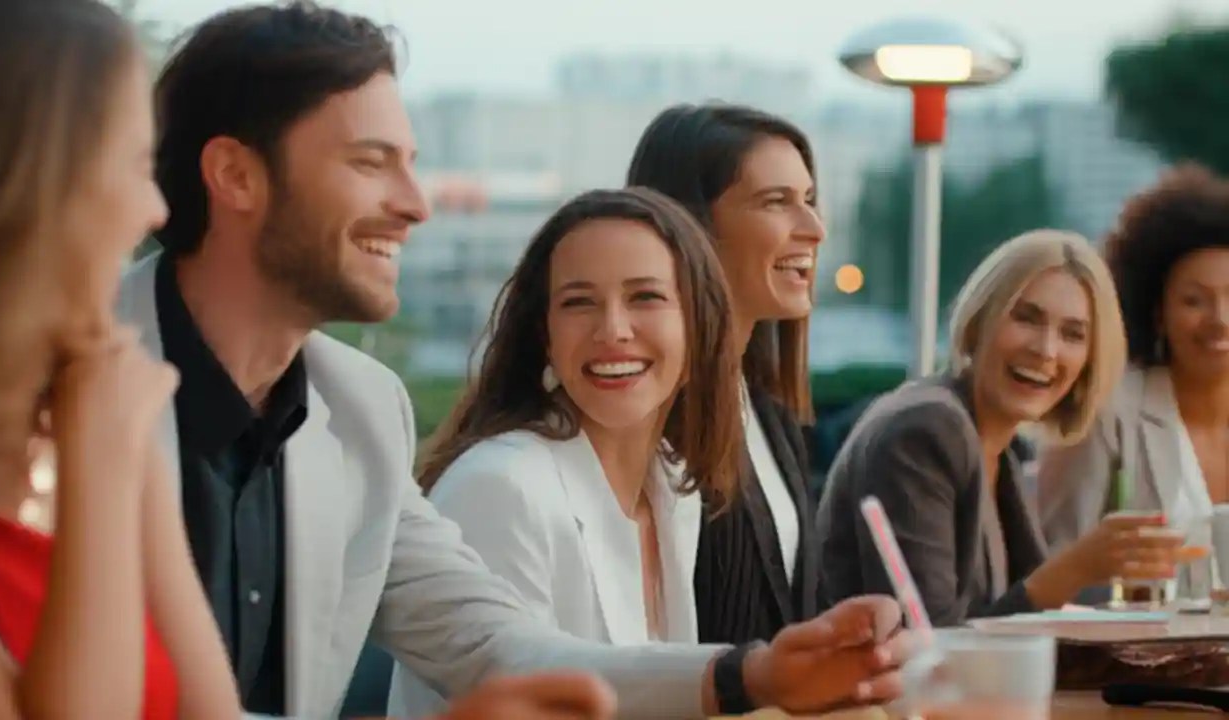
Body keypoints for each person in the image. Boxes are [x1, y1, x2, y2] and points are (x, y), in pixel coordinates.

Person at [132, 3, 912, 718]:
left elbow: (491, 646)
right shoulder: (52, 396)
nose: (416, 202)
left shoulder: (363, 407)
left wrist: (750, 673)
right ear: (235, 175)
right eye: (372, 162)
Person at [0, 1, 241, 717]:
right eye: (140, 164)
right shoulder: (105, 431)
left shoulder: (101, 418)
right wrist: (104, 461)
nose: (156, 211)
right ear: (30, 189)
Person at [389, 187, 744, 714]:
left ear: (700, 327)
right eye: (579, 303)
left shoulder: (670, 484)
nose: (613, 331)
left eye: (645, 297)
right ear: (546, 337)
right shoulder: (501, 486)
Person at [816, 230, 1184, 627]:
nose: (1046, 350)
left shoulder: (999, 451)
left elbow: (1010, 609)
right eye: (1026, 318)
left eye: (1072, 334)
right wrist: (1074, 568)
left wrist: (1123, 578)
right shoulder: (927, 429)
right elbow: (930, 643)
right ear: (981, 319)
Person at [626, 103, 823, 644]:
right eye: (776, 202)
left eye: (808, 200)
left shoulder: (768, 414)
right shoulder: (645, 417)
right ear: (692, 225)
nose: (814, 228)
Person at [1039, 165, 1229, 591]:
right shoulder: (1108, 409)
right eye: (1194, 300)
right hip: (1130, 651)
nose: (1220, 320)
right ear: (1158, 312)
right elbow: (1049, 569)